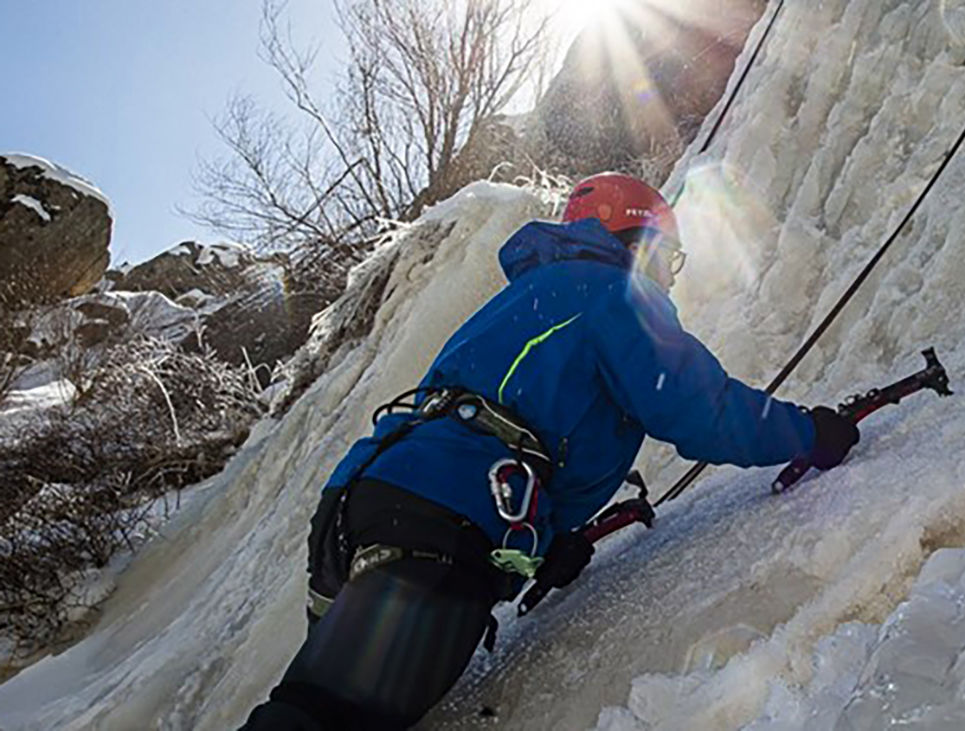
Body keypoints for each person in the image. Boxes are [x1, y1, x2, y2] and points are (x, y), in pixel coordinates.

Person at [240, 173, 861, 730]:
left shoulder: (531, 296)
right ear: (639, 239)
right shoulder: (610, 292)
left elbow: (516, 419)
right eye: (668, 254)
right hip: (439, 520)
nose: (670, 273)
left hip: (370, 501)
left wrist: (541, 544)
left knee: (319, 705)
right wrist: (808, 432)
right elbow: (698, 409)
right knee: (328, 719)